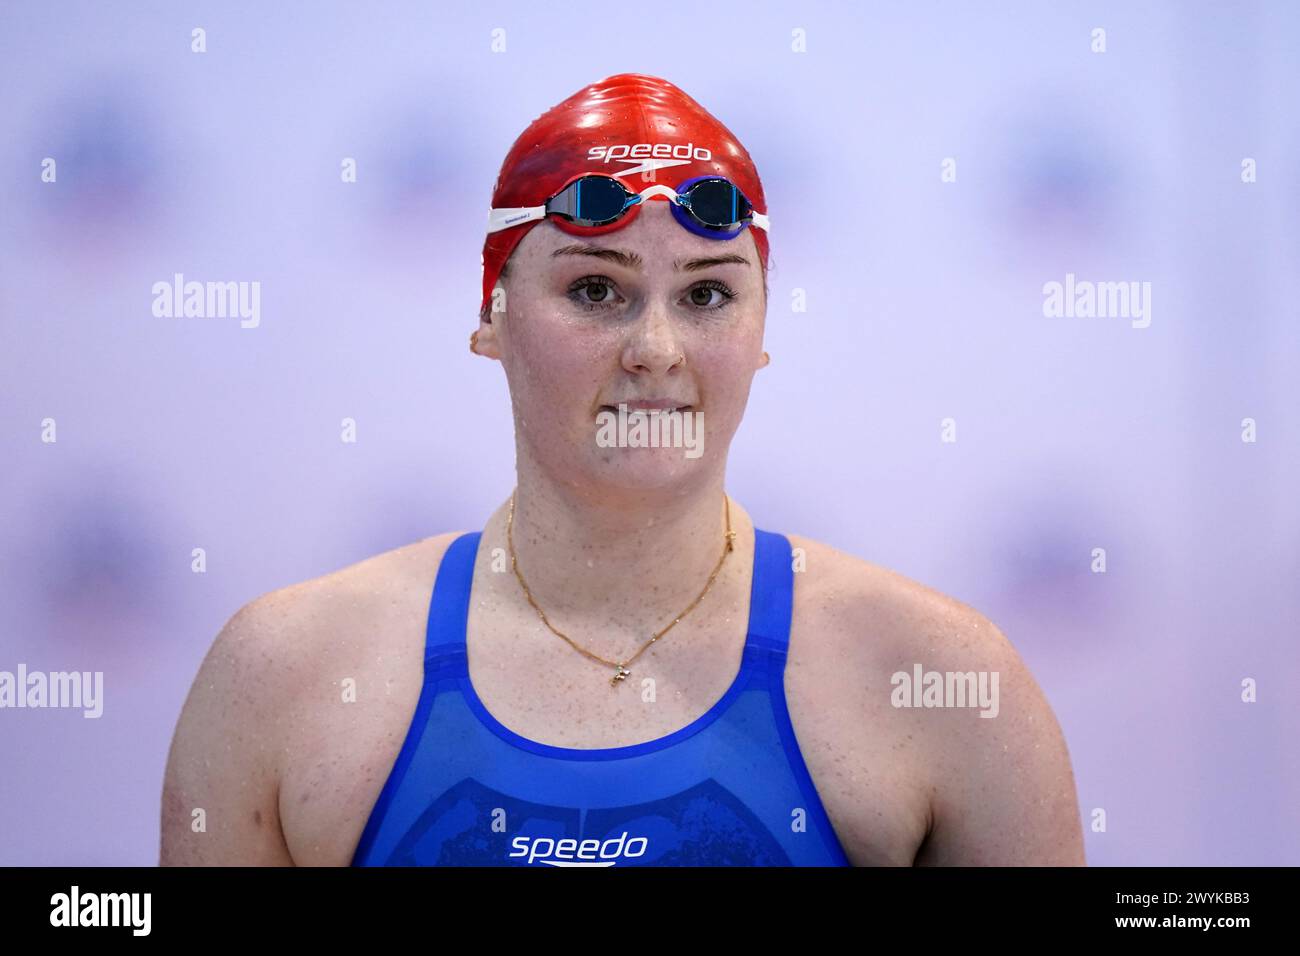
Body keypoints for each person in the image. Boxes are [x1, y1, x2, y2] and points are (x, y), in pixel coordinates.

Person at [160, 73, 1085, 866]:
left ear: (763, 333)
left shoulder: (942, 681)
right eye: (595, 289)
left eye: (707, 292)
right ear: (491, 316)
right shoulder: (286, 675)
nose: (656, 348)